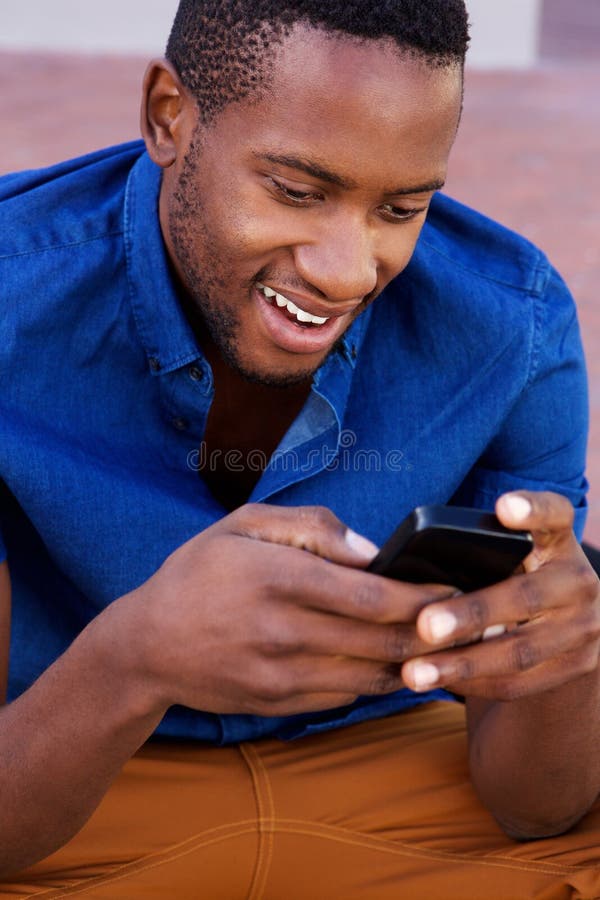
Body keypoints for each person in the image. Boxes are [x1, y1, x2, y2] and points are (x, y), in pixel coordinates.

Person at [1, 0, 600, 896]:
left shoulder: (514, 326)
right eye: (296, 191)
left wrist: (567, 662)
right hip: (79, 777)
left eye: (401, 207)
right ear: (169, 116)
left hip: (388, 766)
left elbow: (534, 809)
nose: (346, 271)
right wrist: (135, 654)